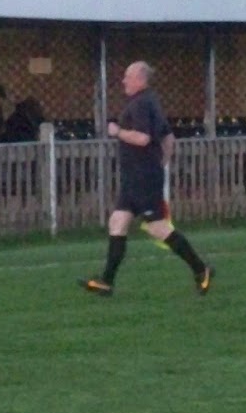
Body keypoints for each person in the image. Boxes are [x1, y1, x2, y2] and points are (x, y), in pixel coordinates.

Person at [80, 61, 212, 297]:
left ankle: (201, 270)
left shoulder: (141, 103)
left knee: (157, 228)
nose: (123, 81)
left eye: (127, 76)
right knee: (118, 222)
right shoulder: (151, 101)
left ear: (140, 79)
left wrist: (117, 132)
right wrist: (160, 165)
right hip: (136, 177)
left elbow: (143, 138)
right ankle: (106, 282)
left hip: (142, 178)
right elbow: (168, 138)